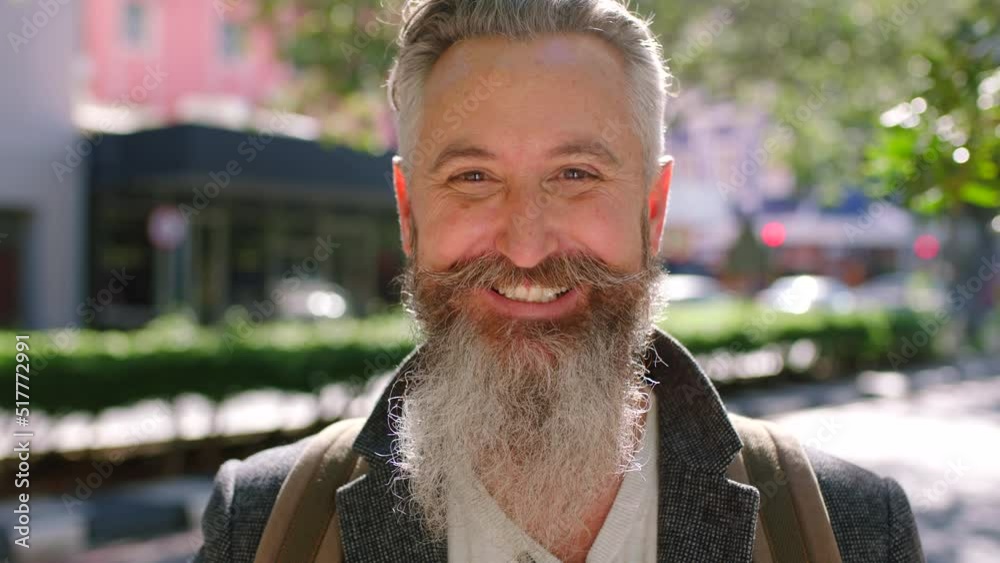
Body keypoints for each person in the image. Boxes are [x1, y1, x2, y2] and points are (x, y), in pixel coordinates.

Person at [194, 1, 925, 561]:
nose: (525, 244)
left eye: (576, 175)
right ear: (410, 213)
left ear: (653, 209)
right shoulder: (268, 527)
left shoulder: (842, 527)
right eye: (473, 177)